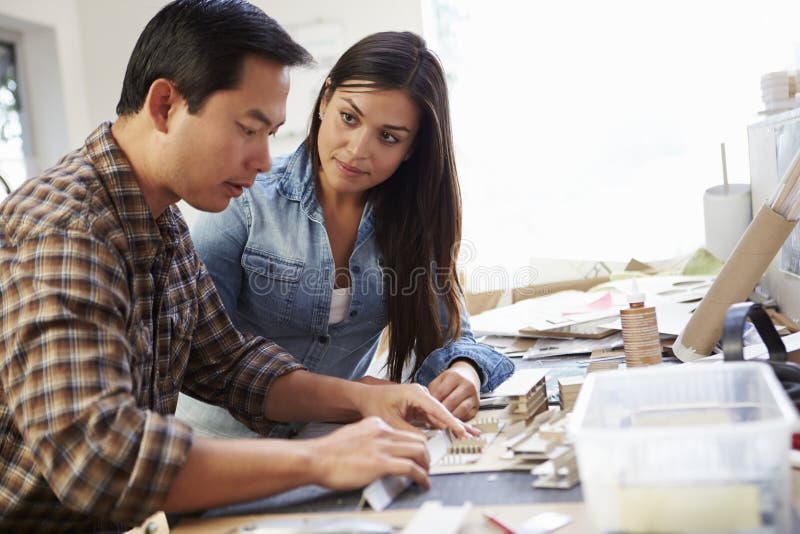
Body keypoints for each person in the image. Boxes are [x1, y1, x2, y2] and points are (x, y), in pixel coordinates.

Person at [0, 2, 474, 531]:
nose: (265, 160)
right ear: (165, 105)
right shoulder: (70, 229)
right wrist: (321, 458)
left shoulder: (160, 221)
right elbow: (97, 457)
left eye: (270, 134)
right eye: (249, 129)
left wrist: (364, 399)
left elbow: (229, 364)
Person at [177, 31, 514, 439]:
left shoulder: (411, 224)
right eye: (349, 118)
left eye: (388, 137)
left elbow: (454, 338)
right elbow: (199, 351)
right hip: (221, 450)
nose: (357, 149)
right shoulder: (245, 199)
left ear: (411, 149)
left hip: (335, 448)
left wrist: (466, 371)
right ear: (325, 100)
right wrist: (356, 396)